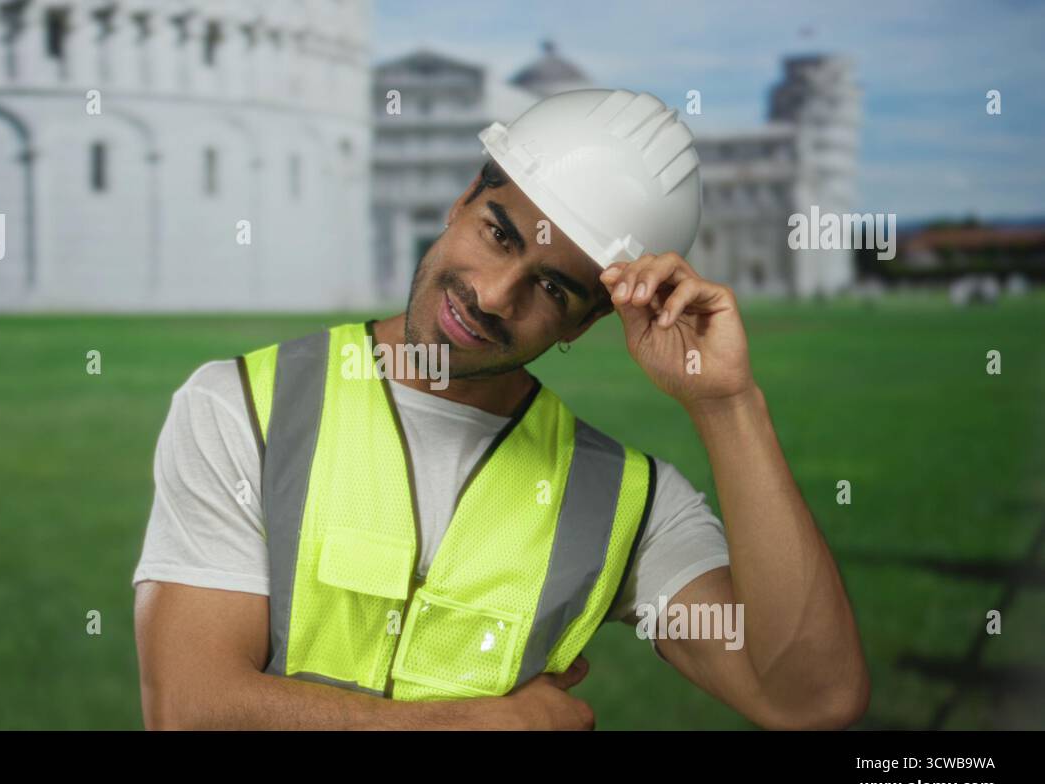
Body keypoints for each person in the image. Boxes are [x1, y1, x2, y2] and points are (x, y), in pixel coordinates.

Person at [132, 94, 869, 730]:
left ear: (584, 325)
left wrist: (727, 403)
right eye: (498, 233)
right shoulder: (244, 408)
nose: (491, 295)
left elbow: (810, 698)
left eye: (551, 288)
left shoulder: (625, 501)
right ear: (462, 201)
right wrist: (472, 723)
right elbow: (192, 708)